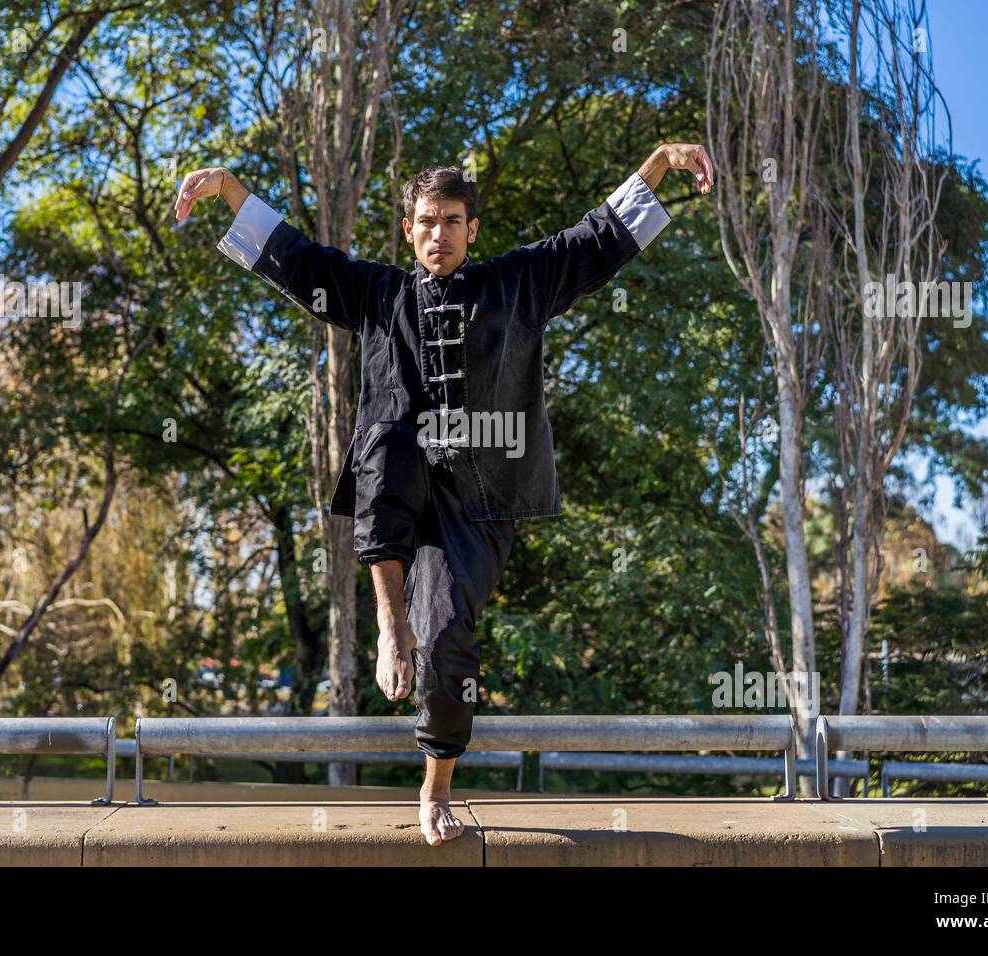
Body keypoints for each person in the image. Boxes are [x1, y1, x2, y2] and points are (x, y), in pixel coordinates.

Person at [173, 144, 714, 846]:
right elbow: (298, 259)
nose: (439, 233)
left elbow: (596, 240)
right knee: (386, 443)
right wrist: (229, 189)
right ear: (409, 229)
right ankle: (390, 624)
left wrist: (659, 165)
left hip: (477, 502)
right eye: (427, 221)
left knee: (450, 629)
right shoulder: (378, 294)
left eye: (452, 221)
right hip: (397, 496)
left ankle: (436, 786)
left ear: (471, 229)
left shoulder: (517, 284)